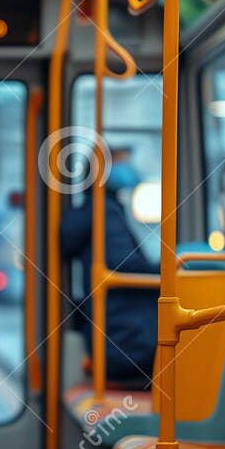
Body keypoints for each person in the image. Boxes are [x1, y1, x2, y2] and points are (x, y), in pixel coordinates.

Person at [59, 159, 158, 390]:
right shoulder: (105, 212)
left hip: (113, 336)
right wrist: (173, 271)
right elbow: (124, 266)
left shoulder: (94, 212)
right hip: (127, 339)